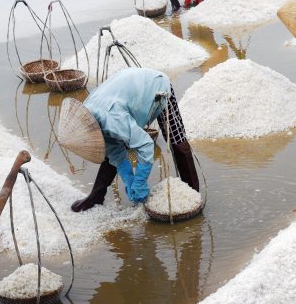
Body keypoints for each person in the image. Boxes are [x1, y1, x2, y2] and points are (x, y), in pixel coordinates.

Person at [57, 67, 199, 212]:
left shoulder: (113, 119)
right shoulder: (86, 114)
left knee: (179, 143)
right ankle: (97, 196)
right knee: (110, 146)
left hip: (156, 86)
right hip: (127, 89)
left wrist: (139, 182)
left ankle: (193, 194)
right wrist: (129, 179)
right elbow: (114, 152)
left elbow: (146, 145)